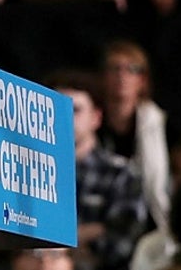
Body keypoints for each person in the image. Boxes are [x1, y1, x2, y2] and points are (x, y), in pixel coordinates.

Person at [55, 72, 151, 270]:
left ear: (96, 118)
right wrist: (86, 233)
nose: (63, 118)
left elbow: (121, 244)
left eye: (75, 110)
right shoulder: (30, 172)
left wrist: (57, 246)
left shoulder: (122, 174)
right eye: (55, 110)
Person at [99, 42, 174, 233]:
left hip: (152, 220)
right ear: (104, 76)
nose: (122, 76)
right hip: (104, 217)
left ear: (142, 80)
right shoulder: (92, 124)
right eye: (115, 68)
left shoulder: (161, 125)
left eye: (132, 69)